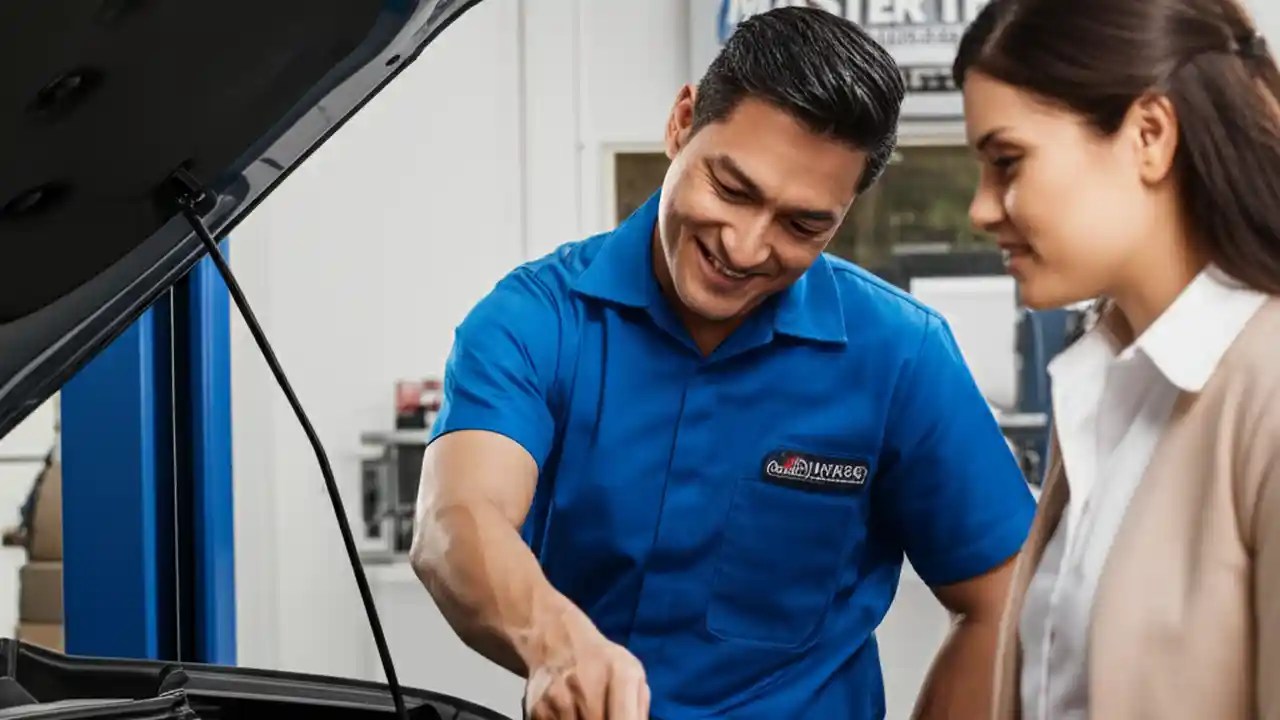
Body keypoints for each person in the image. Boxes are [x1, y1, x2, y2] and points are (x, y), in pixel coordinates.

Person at [411, 7, 1036, 719]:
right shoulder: (536, 320)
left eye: (803, 225)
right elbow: (456, 518)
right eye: (731, 189)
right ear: (682, 123)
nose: (744, 247)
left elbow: (1002, 601)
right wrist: (557, 645)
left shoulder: (902, 355)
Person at [954, 0, 1280, 717]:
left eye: (1006, 161)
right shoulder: (1110, 387)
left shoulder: (1266, 392)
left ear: (1150, 136)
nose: (981, 209)